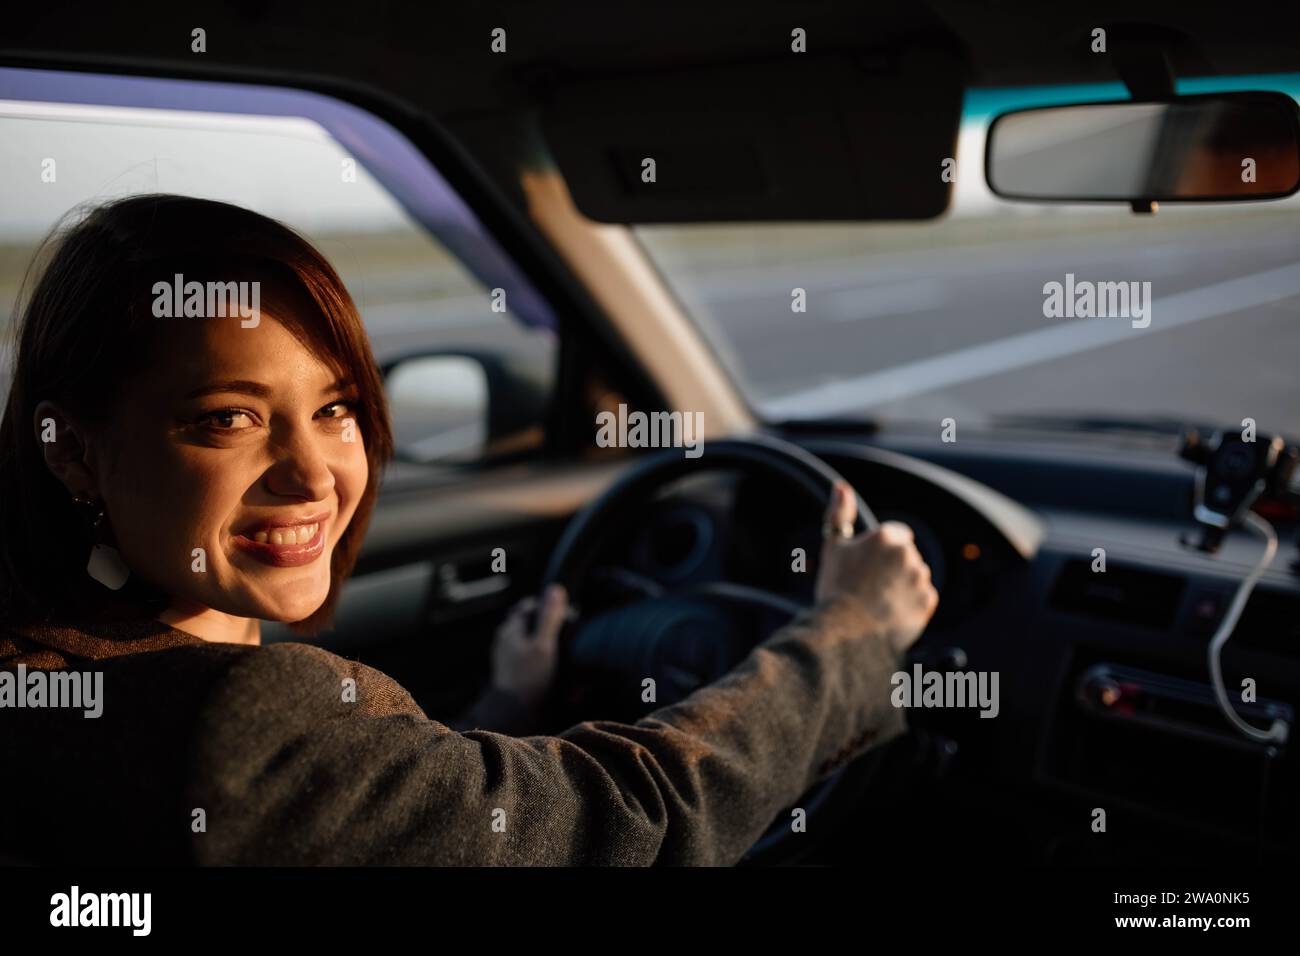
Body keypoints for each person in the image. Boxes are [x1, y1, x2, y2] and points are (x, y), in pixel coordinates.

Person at [0, 194, 937, 865]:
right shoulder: (239, 723)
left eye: (335, 409)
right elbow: (642, 819)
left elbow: (385, 816)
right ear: (72, 452)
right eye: (227, 419)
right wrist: (851, 631)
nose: (314, 473)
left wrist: (502, 710)